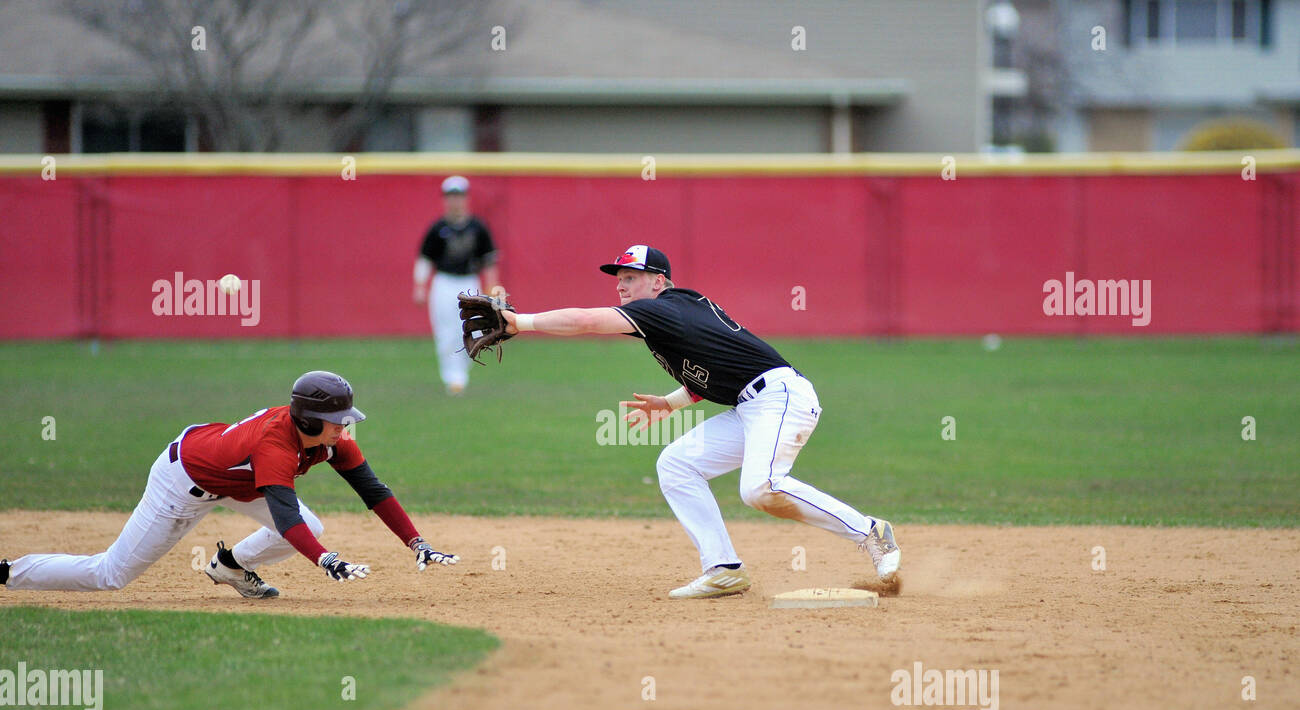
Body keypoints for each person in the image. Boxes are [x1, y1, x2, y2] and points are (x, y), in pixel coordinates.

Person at [492, 244, 901, 599]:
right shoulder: (675, 311)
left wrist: (521, 322)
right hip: (752, 404)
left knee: (760, 489)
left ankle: (870, 532)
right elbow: (716, 367)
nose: (621, 285)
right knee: (676, 464)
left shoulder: (661, 312)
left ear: (658, 281)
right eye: (618, 277)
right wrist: (670, 403)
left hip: (781, 399)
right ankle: (723, 571)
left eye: (631, 276)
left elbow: (585, 321)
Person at [1, 371, 459, 597]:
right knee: (110, 575)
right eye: (336, 421)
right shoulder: (275, 447)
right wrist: (327, 562)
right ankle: (9, 572)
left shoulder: (329, 441)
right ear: (307, 420)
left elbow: (372, 489)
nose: (344, 428)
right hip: (184, 481)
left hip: (234, 474)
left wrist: (416, 542)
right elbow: (284, 515)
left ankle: (229, 566)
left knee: (310, 526)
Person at [413, 175, 503, 396]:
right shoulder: (438, 228)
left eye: (459, 196)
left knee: (475, 328)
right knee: (446, 332)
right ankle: (453, 378)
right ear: (445, 200)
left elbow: (488, 261)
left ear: (466, 198)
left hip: (469, 282)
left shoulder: (477, 227)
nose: (455, 201)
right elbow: (425, 259)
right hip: (444, 282)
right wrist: (420, 286)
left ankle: (461, 370)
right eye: (451, 197)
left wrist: (492, 287)